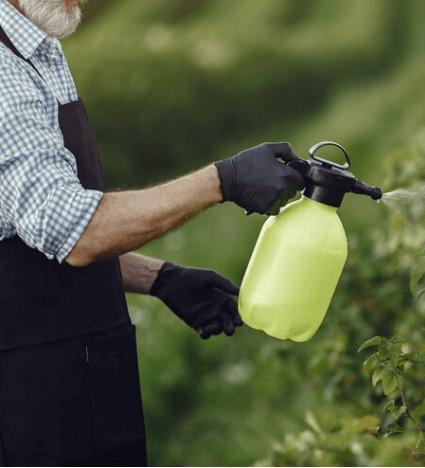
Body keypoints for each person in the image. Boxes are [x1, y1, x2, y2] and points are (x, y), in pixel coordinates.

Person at [0, 0, 305, 465]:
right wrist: (222, 181)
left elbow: (34, 234)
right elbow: (78, 231)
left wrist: (160, 278)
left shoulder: (40, 51)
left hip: (82, 380)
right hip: (30, 401)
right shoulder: (3, 74)